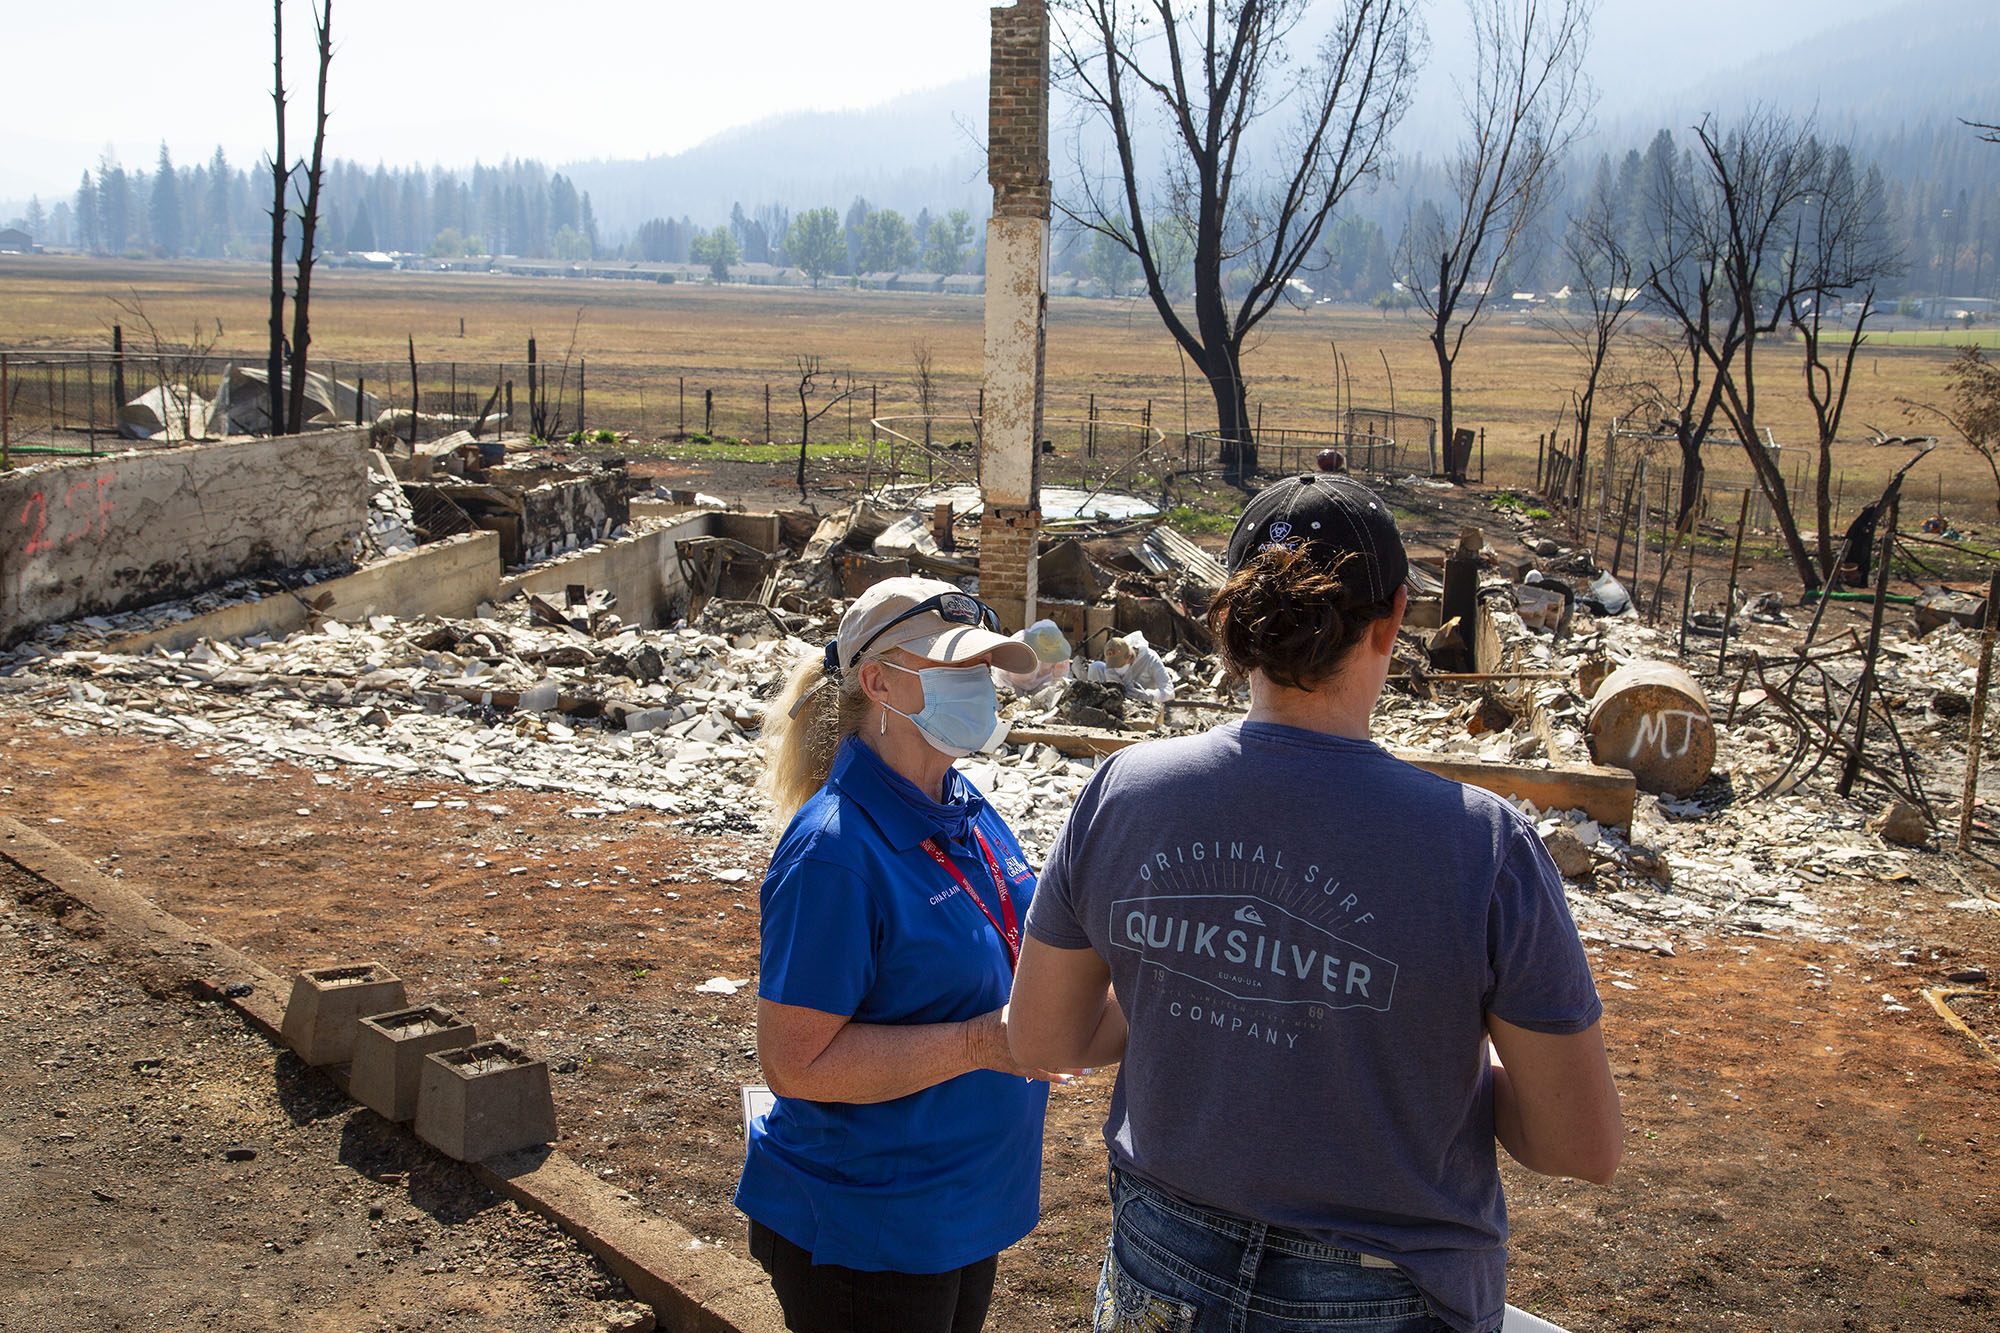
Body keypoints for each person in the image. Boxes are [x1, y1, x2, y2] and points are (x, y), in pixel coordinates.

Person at [1007, 474, 1622, 1333]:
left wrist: (1197, 975)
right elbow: (1577, 1144)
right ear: (1396, 615)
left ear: (1230, 619)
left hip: (1164, 1262)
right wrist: (1424, 1061)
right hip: (1389, 1289)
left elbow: (1041, 1038)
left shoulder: (1125, 791)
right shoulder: (1483, 847)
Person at [737, 576, 1067, 1333]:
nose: (979, 687)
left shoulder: (966, 807)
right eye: (954, 668)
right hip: (874, 1230)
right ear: (877, 681)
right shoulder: (834, 852)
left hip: (964, 1205)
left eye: (982, 669)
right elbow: (796, 1063)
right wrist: (986, 1042)